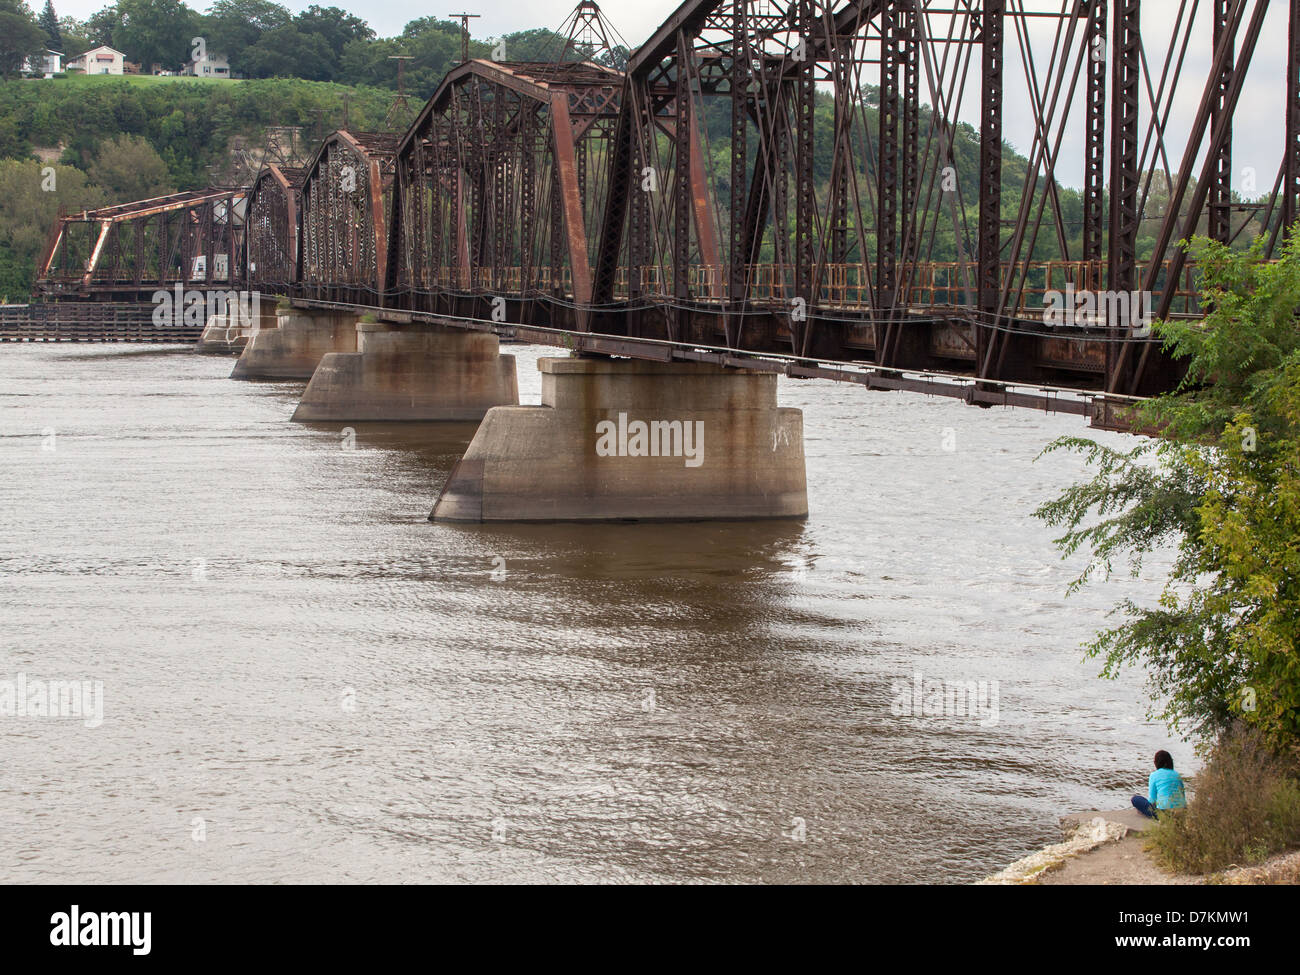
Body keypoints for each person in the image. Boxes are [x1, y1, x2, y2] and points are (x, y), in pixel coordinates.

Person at [1131, 750, 1187, 819]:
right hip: (1180, 812)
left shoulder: (1154, 775)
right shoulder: (1176, 774)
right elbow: (1183, 795)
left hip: (1164, 814)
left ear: (1156, 763)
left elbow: (1152, 800)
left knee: (1135, 799)